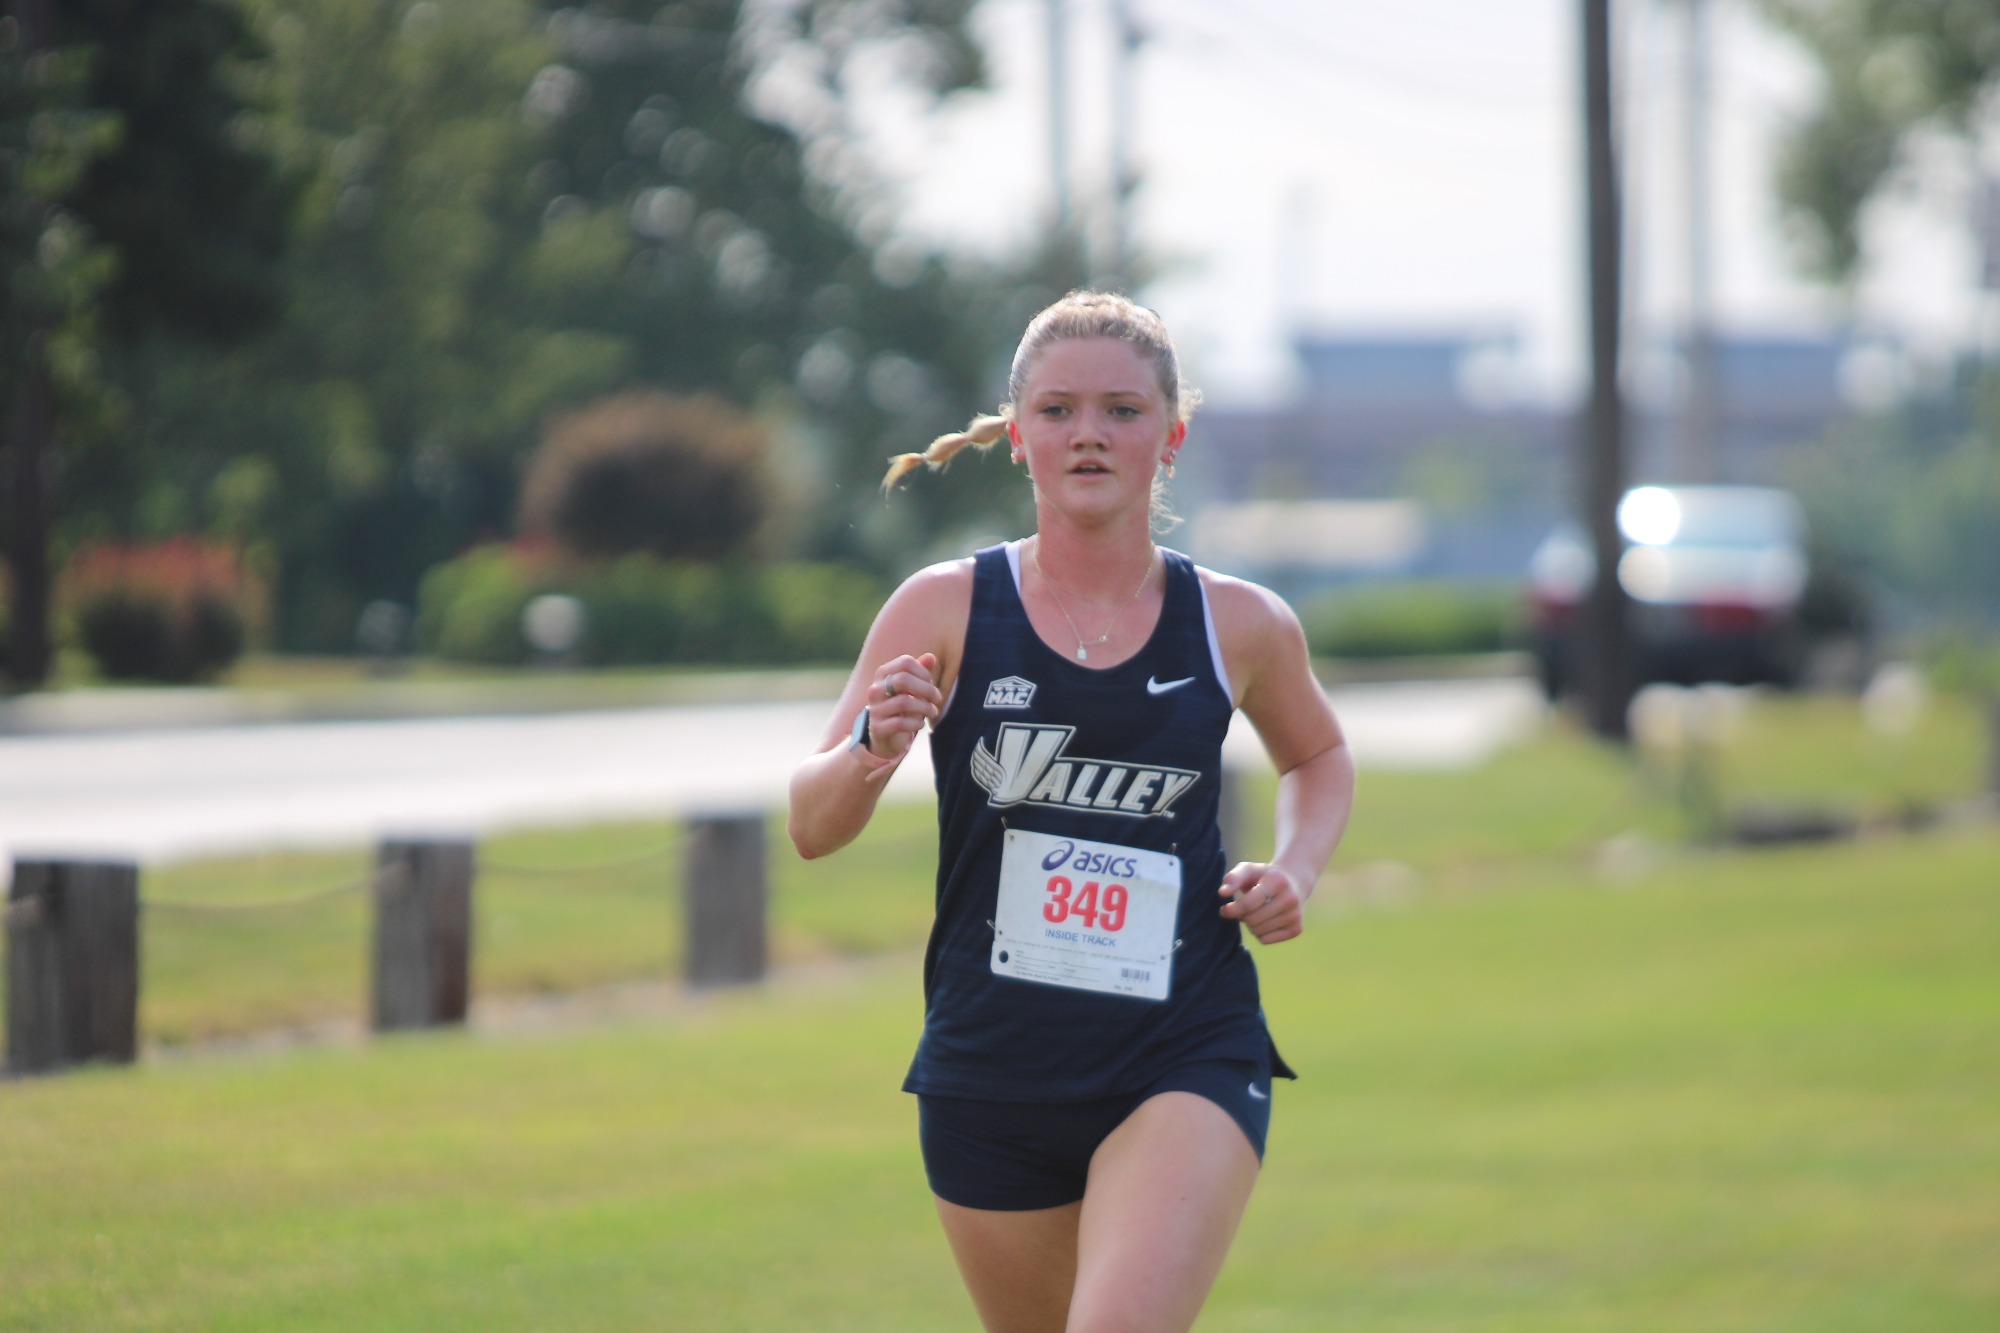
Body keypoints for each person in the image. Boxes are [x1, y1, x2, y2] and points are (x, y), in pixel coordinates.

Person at [788, 291, 1355, 1333]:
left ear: (1170, 434)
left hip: (1182, 1046)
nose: (1086, 432)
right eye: (1055, 410)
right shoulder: (942, 607)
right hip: (990, 1066)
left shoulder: (1238, 623)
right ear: (1016, 437)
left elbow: (1315, 753)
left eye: (1120, 410)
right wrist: (874, 747)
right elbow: (811, 824)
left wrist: (1297, 868)